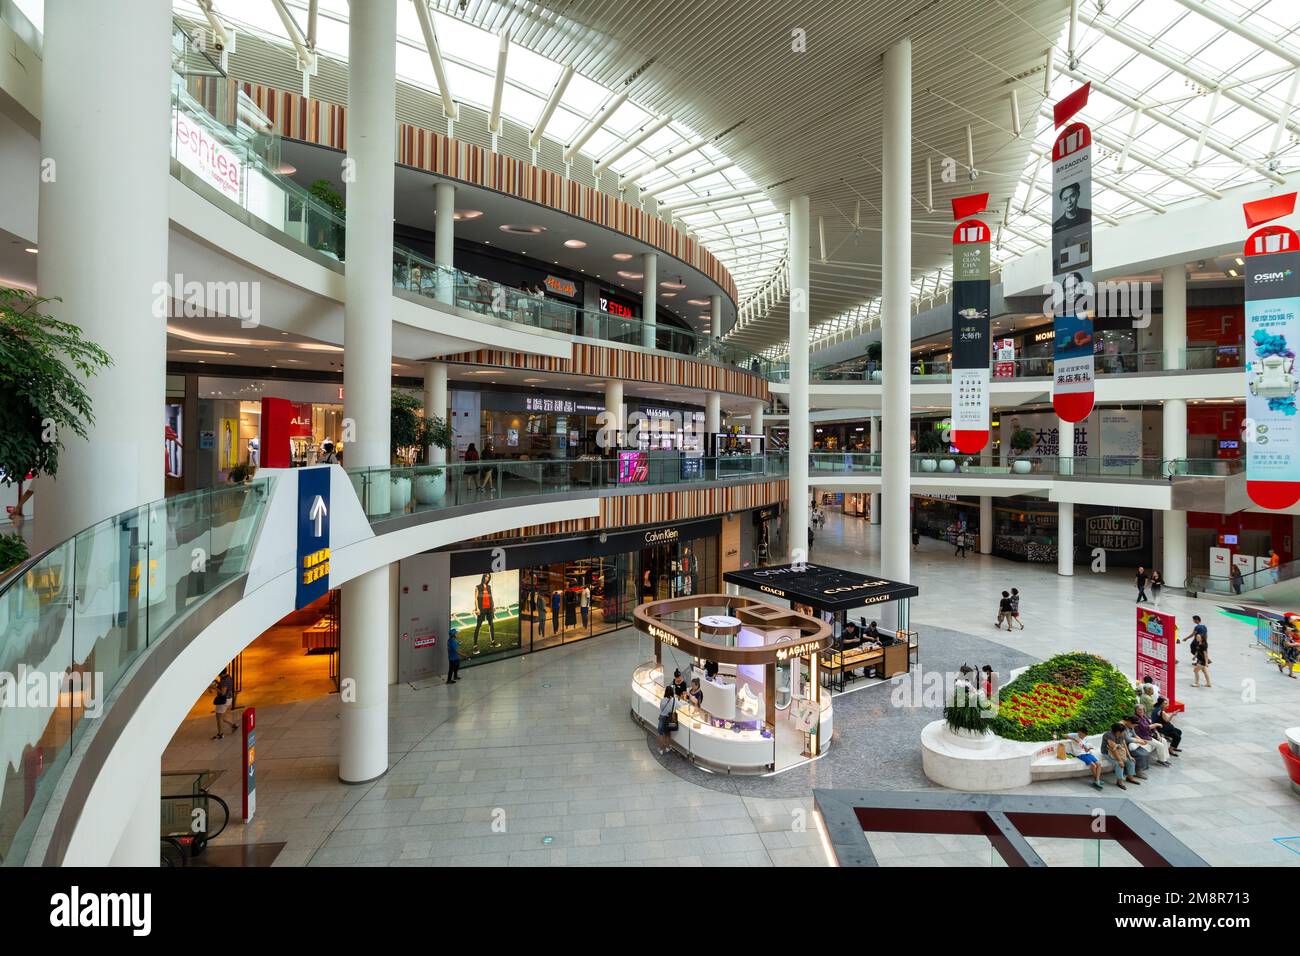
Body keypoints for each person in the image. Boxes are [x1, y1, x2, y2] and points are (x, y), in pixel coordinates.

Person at [1102, 723, 1142, 789]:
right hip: (1107, 753)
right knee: (1119, 764)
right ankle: (1119, 782)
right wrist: (1120, 760)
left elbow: (1124, 745)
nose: (1124, 732)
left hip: (1119, 752)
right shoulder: (1108, 735)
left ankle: (1130, 777)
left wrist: (1129, 756)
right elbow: (1113, 750)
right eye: (1123, 731)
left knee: (1131, 761)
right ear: (1118, 732)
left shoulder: (1122, 734)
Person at [211, 668, 238, 740]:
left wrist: (214, 687)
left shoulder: (224, 681)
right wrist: (218, 683)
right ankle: (233, 725)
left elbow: (223, 693)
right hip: (229, 698)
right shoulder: (228, 677)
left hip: (224, 700)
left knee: (218, 717)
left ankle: (220, 734)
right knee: (223, 716)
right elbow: (224, 687)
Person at [1184, 616, 1211, 687]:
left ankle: (1197, 683)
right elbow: (1198, 650)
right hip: (1200, 658)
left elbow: (1205, 654)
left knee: (1195, 671)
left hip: (1202, 660)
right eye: (1197, 637)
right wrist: (1195, 656)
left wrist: (1206, 662)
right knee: (1204, 671)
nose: (1196, 637)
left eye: (1198, 637)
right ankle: (1208, 683)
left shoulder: (1202, 645)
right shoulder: (1200, 643)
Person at [472, 573, 496, 650]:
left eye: (488, 577)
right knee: (478, 626)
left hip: (489, 609)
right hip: (481, 609)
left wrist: (493, 606)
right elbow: (475, 598)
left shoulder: (489, 587)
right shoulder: (477, 587)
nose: (487, 578)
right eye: (486, 577)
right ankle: (475, 645)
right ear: (483, 577)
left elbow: (491, 597)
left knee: (491, 624)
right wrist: (477, 608)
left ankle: (493, 642)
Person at [655, 685, 677, 755]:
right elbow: (677, 708)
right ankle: (667, 747)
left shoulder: (663, 700)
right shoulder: (673, 701)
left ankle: (661, 749)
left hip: (662, 718)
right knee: (668, 734)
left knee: (661, 734)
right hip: (669, 719)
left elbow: (661, 709)